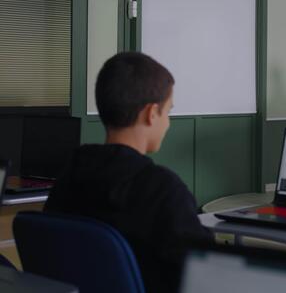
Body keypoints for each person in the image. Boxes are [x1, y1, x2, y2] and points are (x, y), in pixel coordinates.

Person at [45, 52, 212, 293]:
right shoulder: (163, 190)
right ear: (150, 113)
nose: (168, 123)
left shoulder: (69, 176)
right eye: (168, 112)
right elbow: (208, 272)